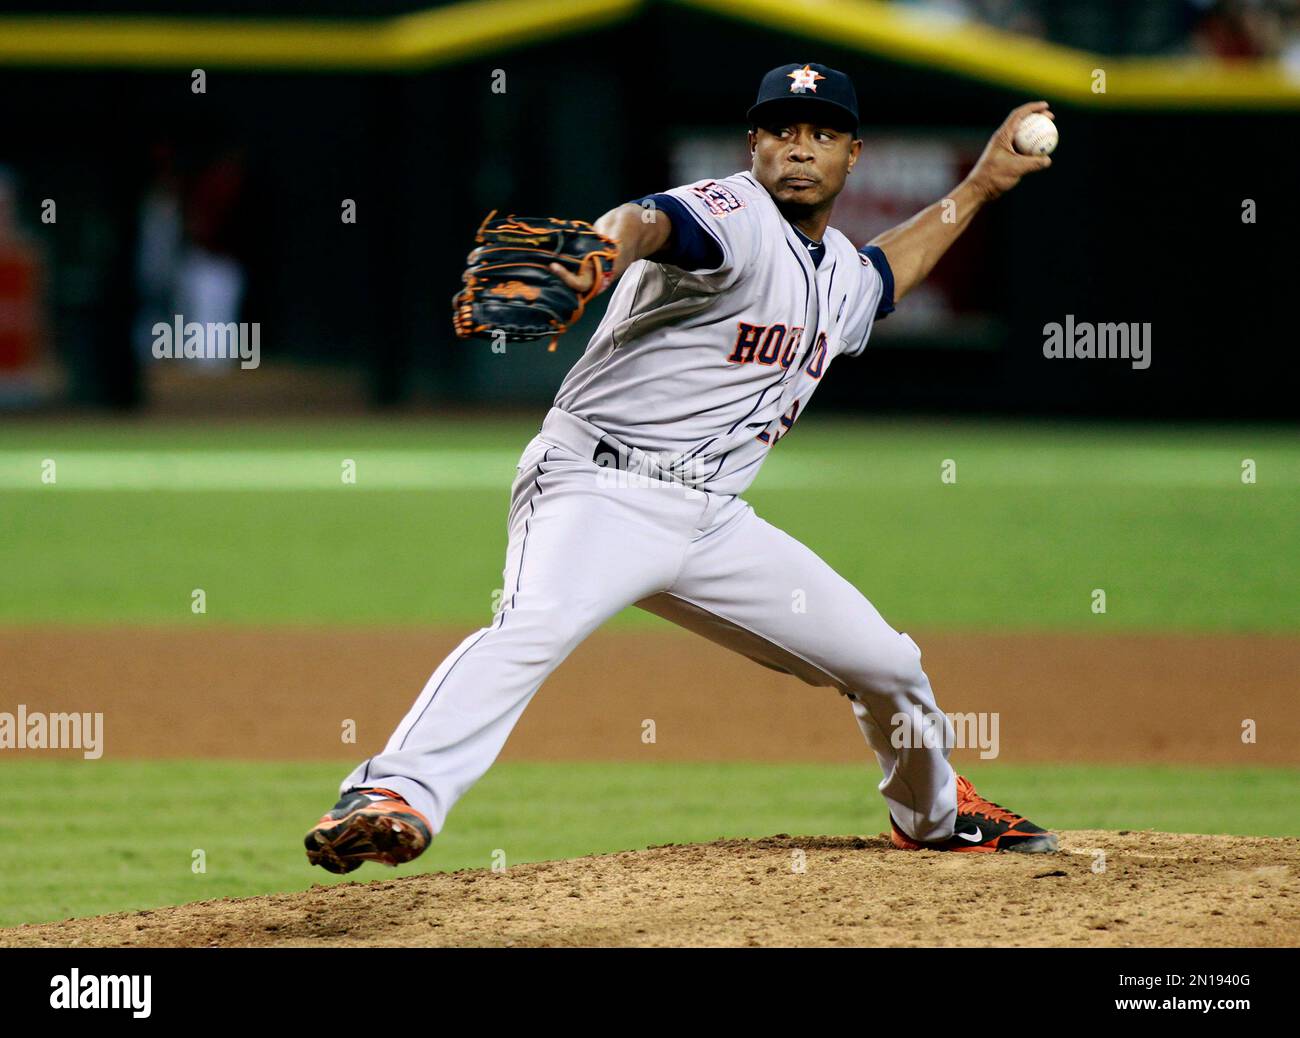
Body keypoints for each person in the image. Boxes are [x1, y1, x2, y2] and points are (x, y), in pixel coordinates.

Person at [305, 62, 1058, 875]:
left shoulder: (836, 269)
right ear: (754, 144)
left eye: (821, 133)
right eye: (780, 130)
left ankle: (935, 814)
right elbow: (647, 223)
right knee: (532, 629)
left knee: (889, 666)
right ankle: (391, 794)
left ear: (853, 155)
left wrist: (982, 183)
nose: (797, 148)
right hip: (597, 489)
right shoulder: (731, 212)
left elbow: (885, 276)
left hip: (715, 522)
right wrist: (598, 250)